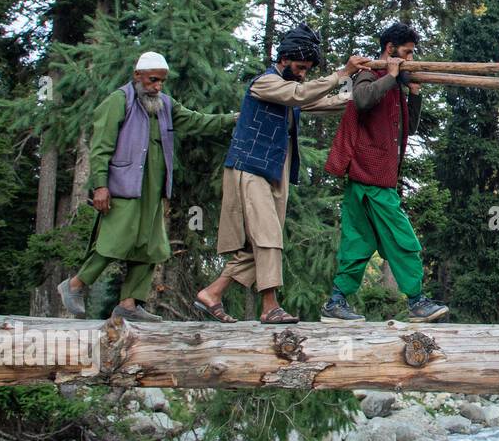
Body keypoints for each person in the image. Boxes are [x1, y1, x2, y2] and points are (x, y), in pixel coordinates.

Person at [195, 25, 365, 324]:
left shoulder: (290, 90)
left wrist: (363, 87)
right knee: (268, 236)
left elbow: (326, 101)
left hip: (275, 170)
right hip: (250, 167)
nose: (302, 74)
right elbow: (300, 94)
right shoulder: (265, 83)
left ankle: (213, 292)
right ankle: (270, 306)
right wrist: (341, 73)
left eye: (307, 69)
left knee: (258, 244)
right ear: (284, 59)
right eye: (300, 67)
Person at [58, 52, 236, 321]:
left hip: (153, 190)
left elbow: (198, 120)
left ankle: (128, 305)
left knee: (150, 245)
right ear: (137, 76)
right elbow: (101, 148)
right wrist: (100, 186)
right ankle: (75, 285)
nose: (157, 87)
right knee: (115, 241)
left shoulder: (164, 104)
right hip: (123, 186)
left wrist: (234, 119)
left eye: (162, 82)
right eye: (153, 80)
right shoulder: (119, 101)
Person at [320, 22, 447, 323]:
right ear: (390, 49)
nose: (411, 60)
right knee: (403, 239)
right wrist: (390, 75)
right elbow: (362, 100)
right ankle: (416, 301)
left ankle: (336, 301)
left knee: (358, 241)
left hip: (371, 179)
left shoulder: (394, 86)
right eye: (407, 53)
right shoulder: (369, 73)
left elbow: (409, 128)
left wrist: (414, 93)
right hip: (372, 178)